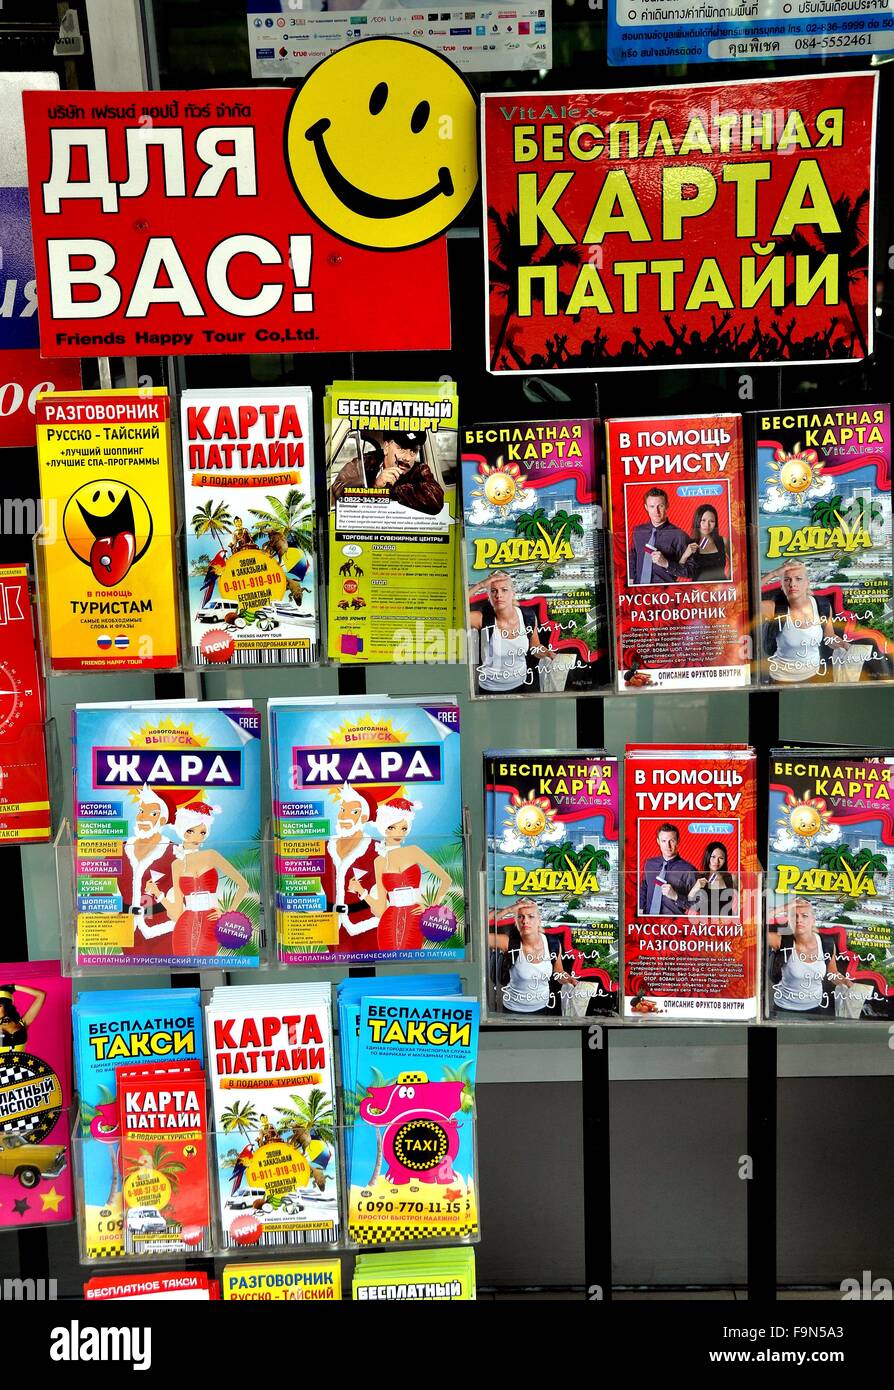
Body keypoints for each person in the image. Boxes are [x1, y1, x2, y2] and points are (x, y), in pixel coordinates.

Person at [350, 797, 452, 952]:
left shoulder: (413, 851)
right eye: (392, 827)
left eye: (403, 828)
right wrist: (361, 891)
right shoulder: (380, 862)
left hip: (415, 918)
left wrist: (430, 906)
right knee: (391, 964)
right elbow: (380, 908)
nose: (398, 833)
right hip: (388, 922)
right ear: (384, 828)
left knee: (410, 960)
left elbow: (446, 879)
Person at [168, 801, 250, 959]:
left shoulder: (211, 855)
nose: (197, 836)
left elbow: (243, 885)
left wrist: (227, 913)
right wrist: (158, 896)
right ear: (182, 830)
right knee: (184, 966)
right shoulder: (176, 865)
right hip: (184, 924)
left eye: (202, 832)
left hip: (211, 920)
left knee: (207, 961)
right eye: (191, 830)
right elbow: (177, 909)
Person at [468, 571, 555, 694]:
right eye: (493, 591)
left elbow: (535, 646)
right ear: (489, 597)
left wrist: (546, 653)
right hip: (489, 690)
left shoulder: (527, 616)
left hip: (521, 685)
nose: (498, 595)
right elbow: (452, 611)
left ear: (513, 593)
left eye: (504, 590)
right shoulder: (482, 619)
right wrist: (480, 585)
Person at [116, 785, 177, 957]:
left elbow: (188, 890)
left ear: (163, 820)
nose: (143, 818)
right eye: (141, 811)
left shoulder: (174, 852)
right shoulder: (120, 849)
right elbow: (97, 887)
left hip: (162, 930)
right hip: (128, 931)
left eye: (152, 814)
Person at [487, 900, 577, 1015]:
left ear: (539, 920)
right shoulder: (508, 942)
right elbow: (477, 932)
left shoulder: (552, 943)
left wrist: (570, 980)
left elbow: (558, 972)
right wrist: (508, 910)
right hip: (512, 1012)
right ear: (516, 922)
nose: (525, 921)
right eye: (520, 917)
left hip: (543, 1009)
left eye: (531, 916)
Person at [768, 898, 854, 1015]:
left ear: (813, 920)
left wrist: (844, 981)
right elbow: (753, 924)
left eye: (804, 916)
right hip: (784, 1009)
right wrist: (787, 906)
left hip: (817, 1008)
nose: (799, 920)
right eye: (794, 916)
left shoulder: (826, 943)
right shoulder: (781, 941)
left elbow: (832, 973)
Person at [321, 784, 380, 953]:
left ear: (364, 817)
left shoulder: (377, 851)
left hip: (367, 927)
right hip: (331, 929)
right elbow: (302, 887)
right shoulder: (322, 850)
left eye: (353, 812)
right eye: (342, 810)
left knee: (369, 973)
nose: (344, 816)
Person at [761, 561, 840, 682]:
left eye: (798, 579)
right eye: (787, 580)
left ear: (807, 583)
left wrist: (845, 645)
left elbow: (830, 637)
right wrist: (773, 574)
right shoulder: (773, 609)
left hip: (815, 677)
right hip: (782, 681)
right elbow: (742, 598)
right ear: (781, 585)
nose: (792, 584)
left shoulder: (821, 605)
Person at [331, 430, 445, 515]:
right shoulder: (366, 462)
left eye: (413, 451)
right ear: (386, 447)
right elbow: (338, 489)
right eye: (402, 449)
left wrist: (391, 491)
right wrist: (374, 486)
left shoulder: (419, 470)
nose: (407, 458)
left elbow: (436, 500)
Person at [628, 488, 695, 585]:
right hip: (639, 591)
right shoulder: (638, 531)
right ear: (646, 507)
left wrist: (666, 564)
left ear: (667, 505)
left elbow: (691, 571)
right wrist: (631, 581)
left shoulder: (679, 535)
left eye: (661, 506)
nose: (657, 511)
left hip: (664, 594)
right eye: (652, 506)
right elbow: (633, 557)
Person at [638, 823, 698, 915]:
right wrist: (641, 908)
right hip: (648, 921)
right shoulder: (650, 864)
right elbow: (645, 886)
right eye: (664, 841)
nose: (668, 846)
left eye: (672, 841)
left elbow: (698, 904)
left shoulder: (689, 870)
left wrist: (676, 896)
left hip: (673, 925)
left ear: (678, 841)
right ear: (658, 841)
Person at [679, 504, 728, 581]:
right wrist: (685, 555)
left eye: (711, 521)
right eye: (703, 520)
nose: (707, 525)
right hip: (699, 590)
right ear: (697, 521)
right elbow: (680, 572)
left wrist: (730, 582)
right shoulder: (688, 543)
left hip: (720, 590)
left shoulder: (723, 541)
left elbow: (736, 565)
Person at [687, 841, 737, 916]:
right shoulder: (698, 877)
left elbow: (741, 903)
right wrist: (695, 888)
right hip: (705, 925)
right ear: (707, 856)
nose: (716, 861)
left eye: (721, 858)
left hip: (726, 924)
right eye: (713, 857)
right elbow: (689, 902)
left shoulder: (731, 878)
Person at [0, 982, 45, 1050]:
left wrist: (14, 987)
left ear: (7, 1006)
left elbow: (41, 995)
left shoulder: (22, 1022)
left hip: (22, 1060)